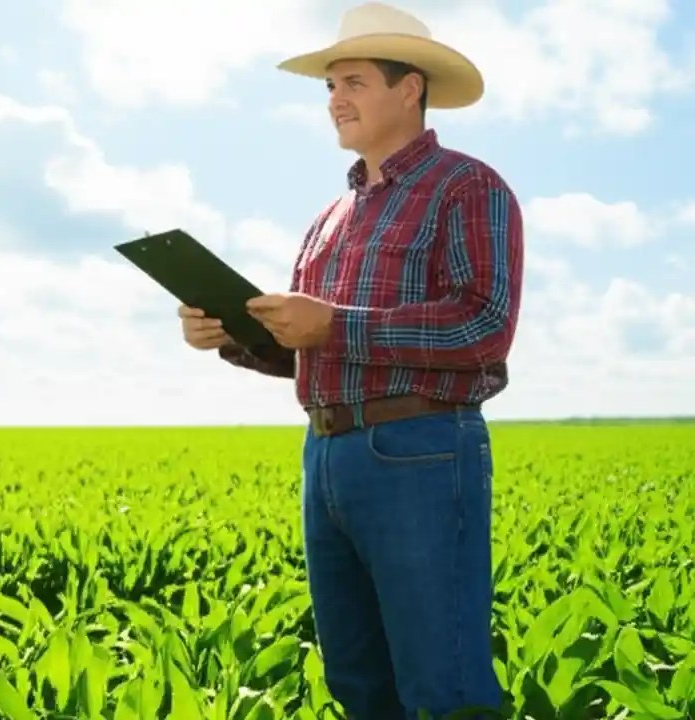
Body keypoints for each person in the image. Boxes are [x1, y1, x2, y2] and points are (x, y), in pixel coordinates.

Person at [180, 3, 523, 719]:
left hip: (421, 452)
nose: (335, 99)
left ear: (410, 89)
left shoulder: (467, 186)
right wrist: (237, 335)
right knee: (359, 687)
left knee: (444, 688)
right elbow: (316, 347)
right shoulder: (329, 219)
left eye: (354, 82)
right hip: (326, 453)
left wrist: (333, 324)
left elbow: (483, 326)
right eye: (330, 85)